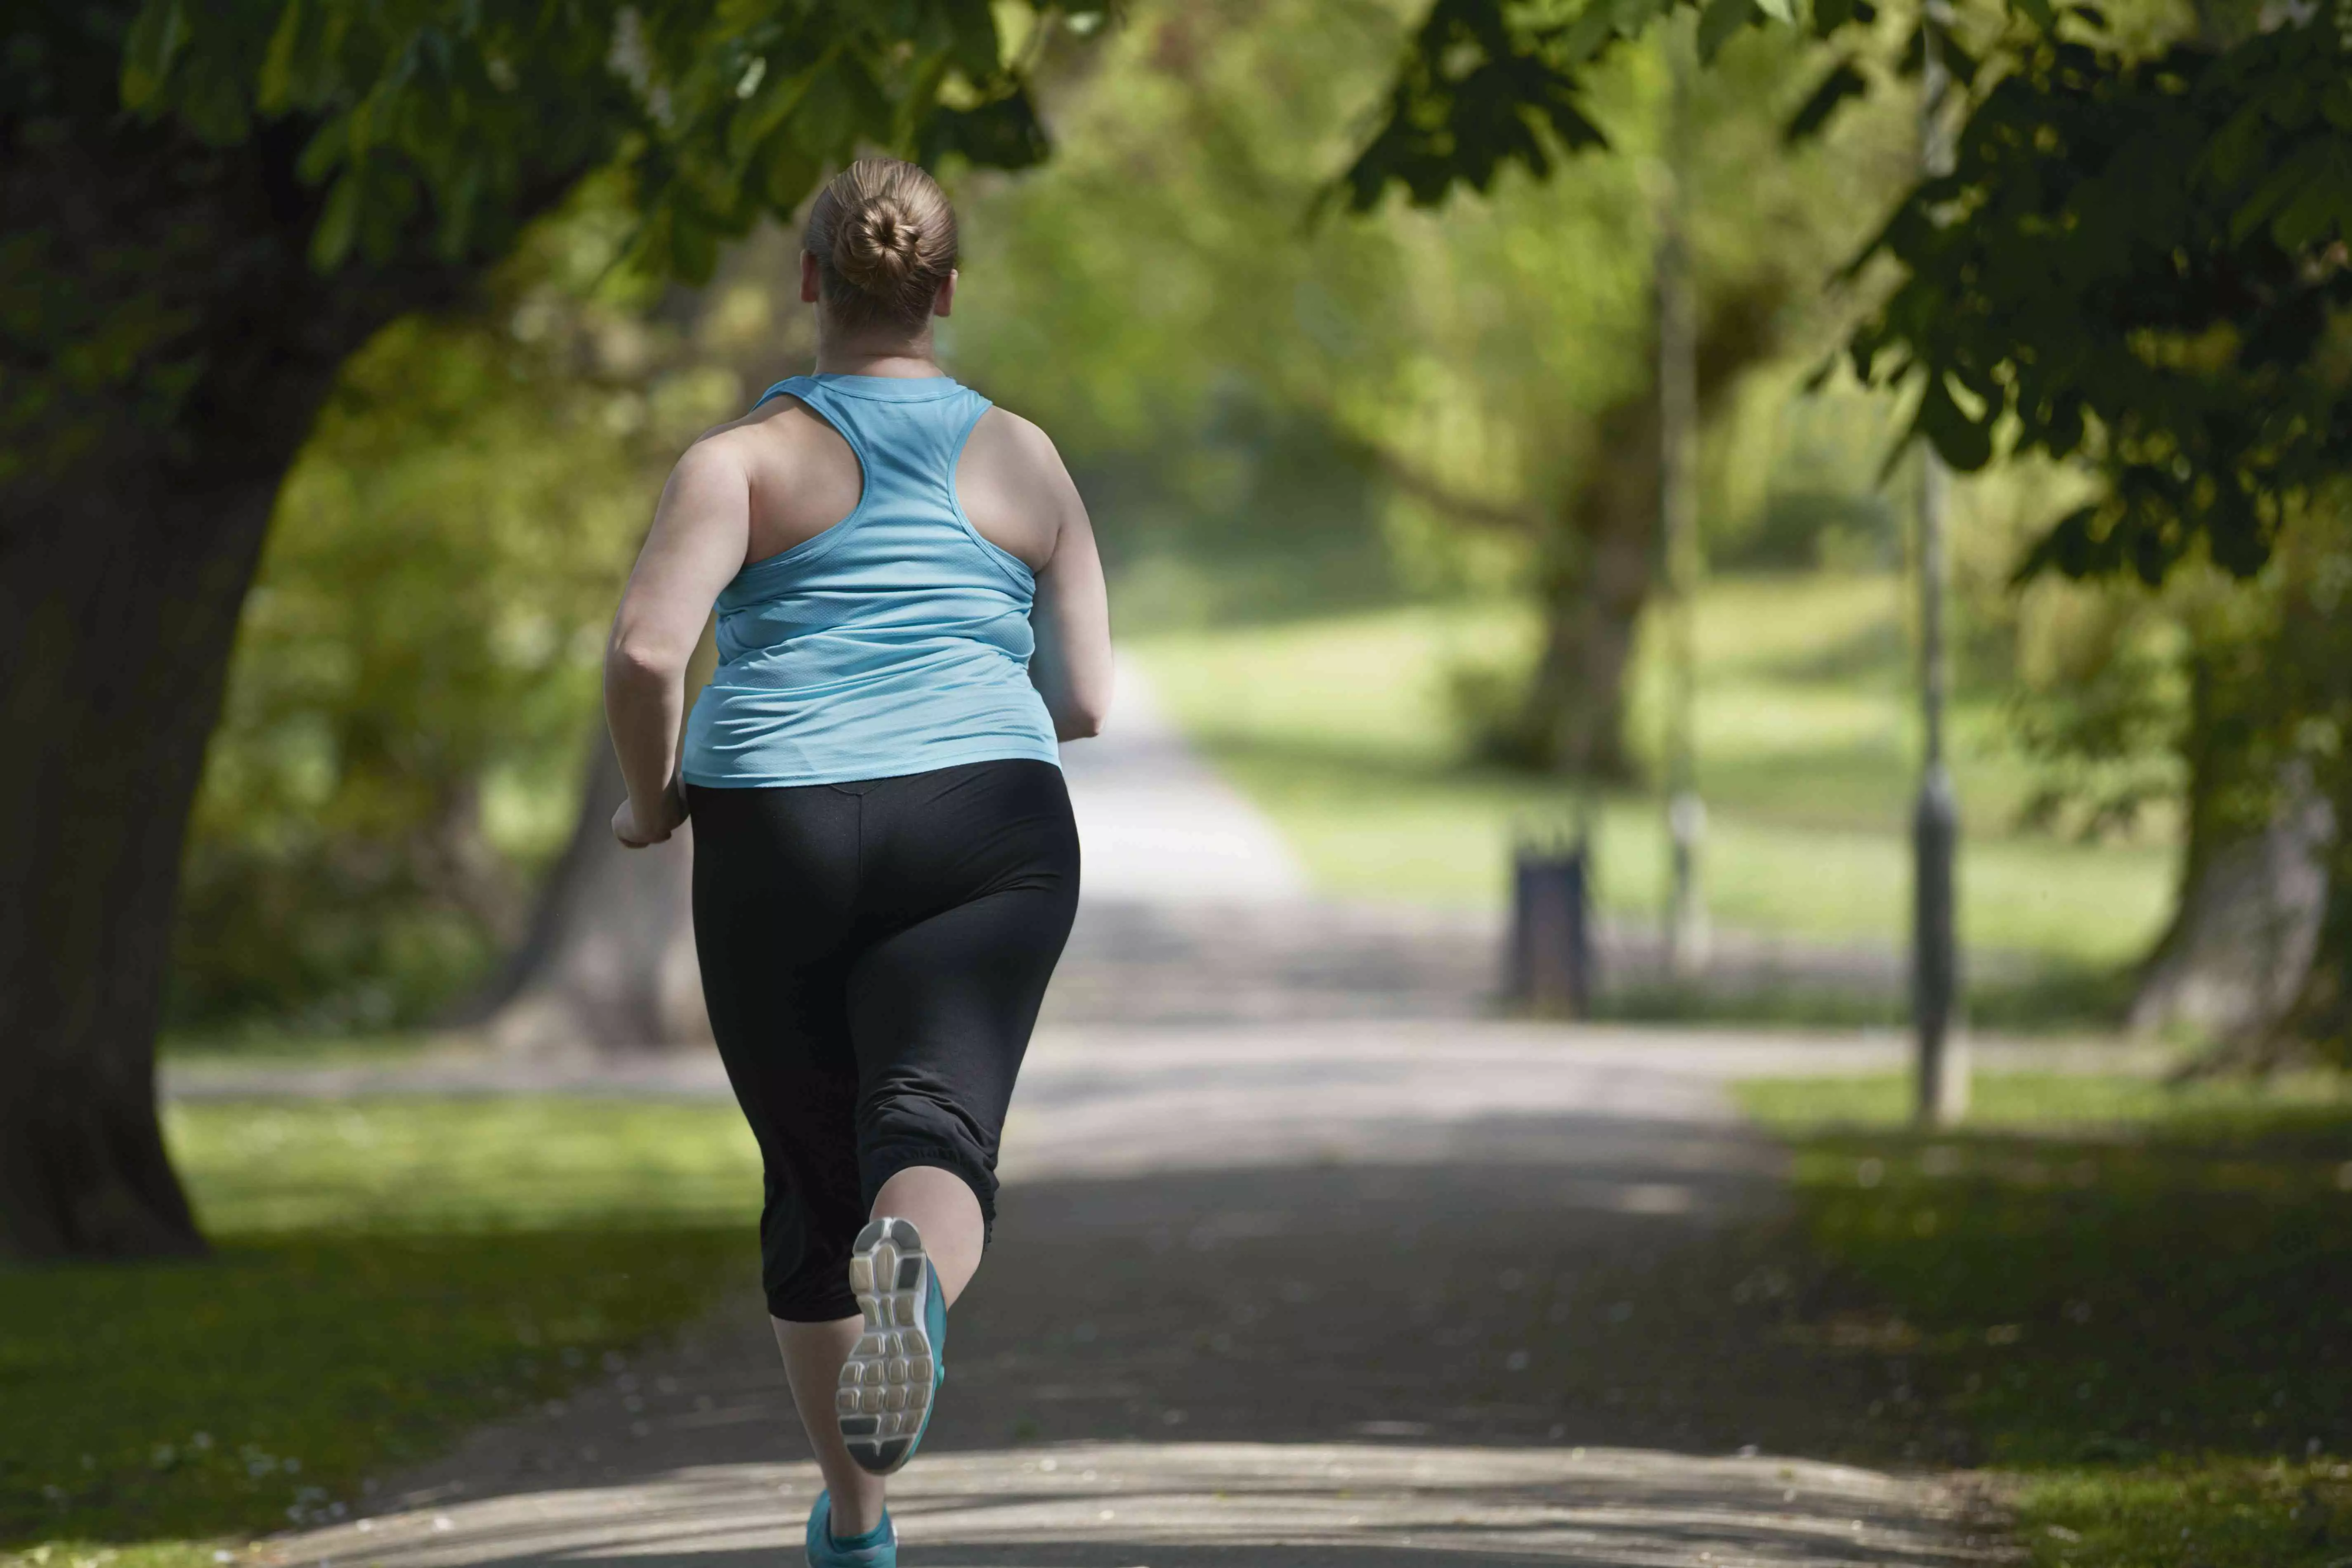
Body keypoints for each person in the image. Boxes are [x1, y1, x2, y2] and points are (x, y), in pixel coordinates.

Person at [600, 156, 1113, 1568]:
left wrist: (654, 807)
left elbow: (651, 650)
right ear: (944, 293)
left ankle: (860, 1529)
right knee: (932, 1130)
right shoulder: (1023, 456)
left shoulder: (739, 461)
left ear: (811, 281)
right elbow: (1085, 701)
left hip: (779, 823)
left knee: (815, 1184)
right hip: (987, 822)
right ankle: (922, 1301)